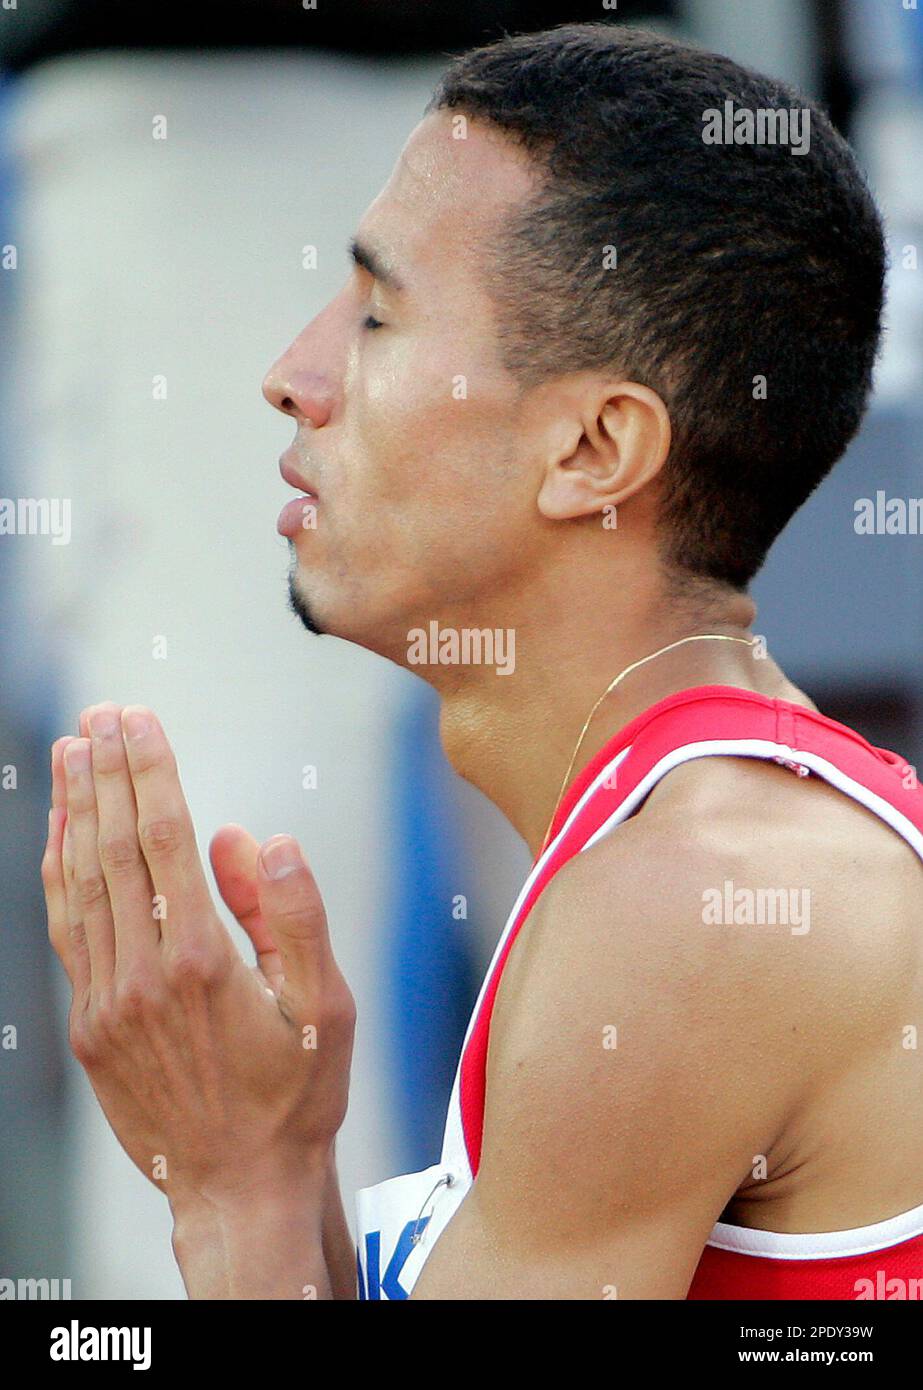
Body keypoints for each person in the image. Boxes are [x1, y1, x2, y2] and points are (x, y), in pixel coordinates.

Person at [41, 24, 923, 1300]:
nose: (289, 376)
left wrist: (236, 1190)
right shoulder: (694, 844)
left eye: (377, 317)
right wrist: (272, 1172)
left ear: (590, 451)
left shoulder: (684, 911)